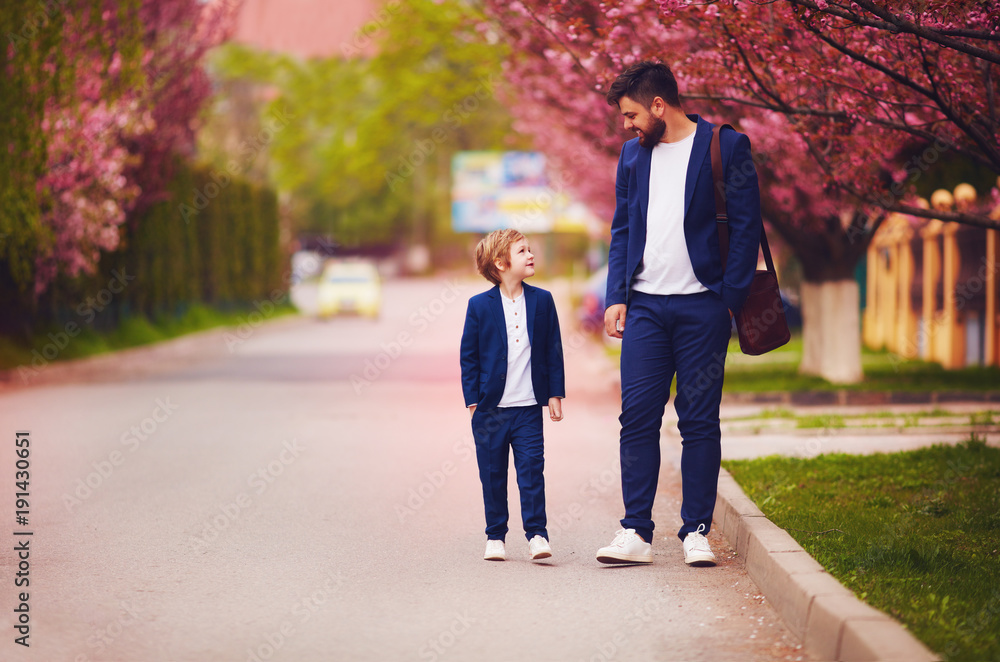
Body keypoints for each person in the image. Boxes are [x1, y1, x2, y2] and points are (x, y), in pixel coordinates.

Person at [595, 61, 761, 567]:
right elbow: (622, 229)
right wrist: (616, 295)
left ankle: (696, 531)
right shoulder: (631, 157)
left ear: (659, 106)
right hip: (645, 307)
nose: (627, 125)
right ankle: (635, 532)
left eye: (631, 114)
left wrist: (727, 300)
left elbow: (749, 227)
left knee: (698, 420)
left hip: (702, 308)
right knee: (637, 419)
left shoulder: (725, 146)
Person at [460, 229, 566, 562]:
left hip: (528, 409)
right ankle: (495, 536)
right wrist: (473, 400)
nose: (531, 255)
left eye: (530, 249)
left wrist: (554, 394)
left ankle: (537, 534)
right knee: (492, 475)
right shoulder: (479, 306)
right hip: (490, 411)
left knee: (532, 470)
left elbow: (553, 349)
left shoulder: (542, 301)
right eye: (523, 251)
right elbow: (469, 355)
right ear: (501, 262)